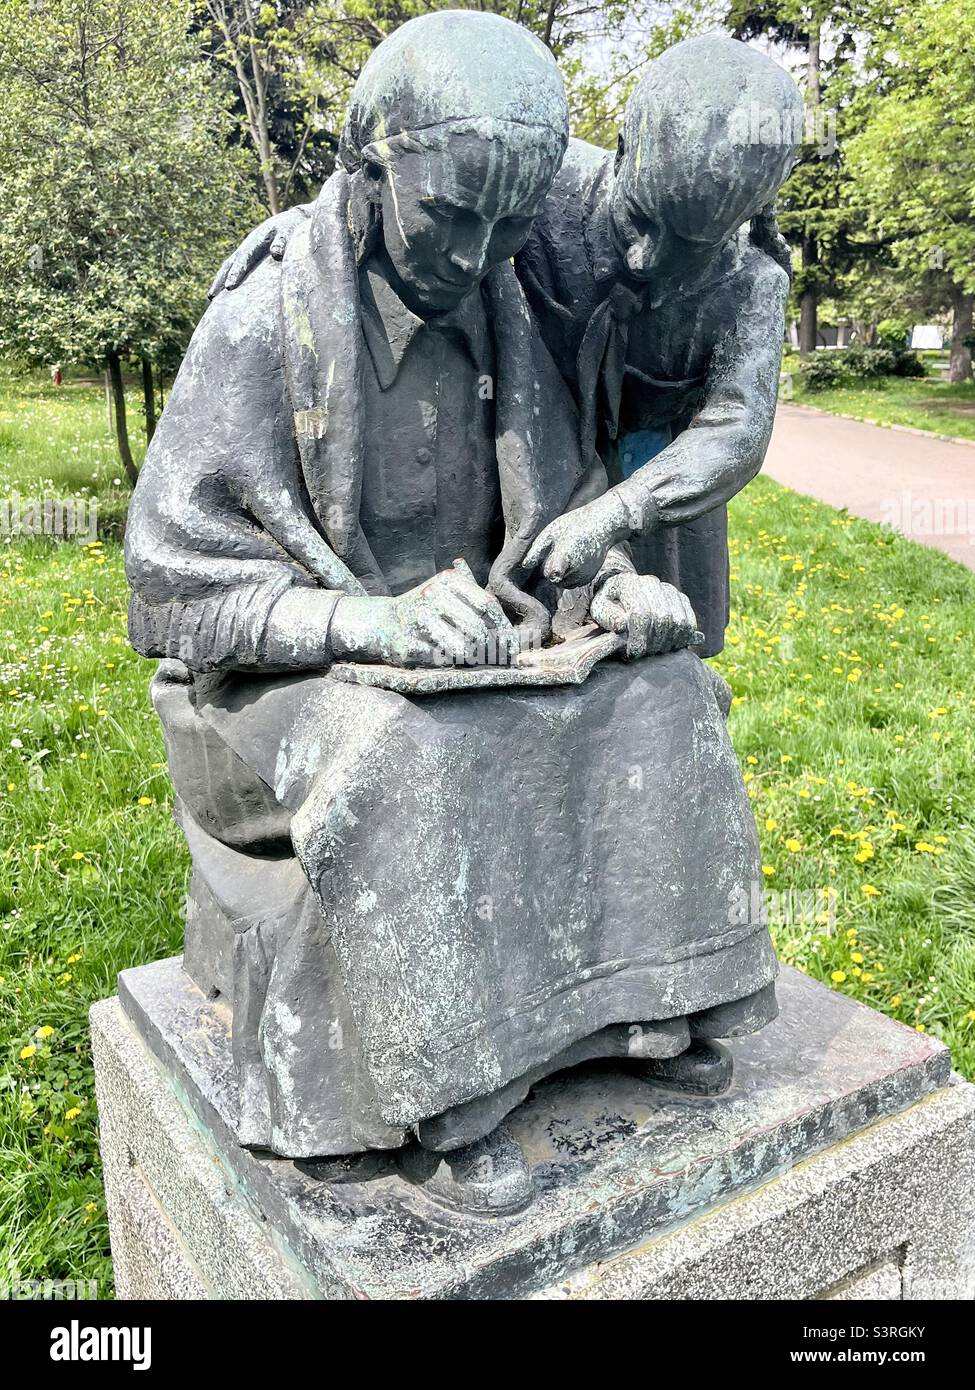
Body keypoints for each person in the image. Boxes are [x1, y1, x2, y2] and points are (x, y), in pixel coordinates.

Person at [128, 13, 775, 1217]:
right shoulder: (266, 313)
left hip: (470, 645)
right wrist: (364, 625)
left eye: (508, 226)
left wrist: (612, 579)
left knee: (664, 691)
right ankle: (454, 1096)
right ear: (369, 167)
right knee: (407, 755)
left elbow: (557, 508)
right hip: (279, 686)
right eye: (451, 215)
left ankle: (641, 1015)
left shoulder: (498, 299)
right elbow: (170, 583)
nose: (476, 254)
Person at [217, 36, 802, 658]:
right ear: (624, 151)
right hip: (517, 449)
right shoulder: (542, 183)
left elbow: (734, 431)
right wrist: (318, 227)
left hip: (656, 483)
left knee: (662, 651)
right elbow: (420, 181)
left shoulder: (751, 284)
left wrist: (616, 514)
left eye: (691, 244)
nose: (645, 257)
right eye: (641, 218)